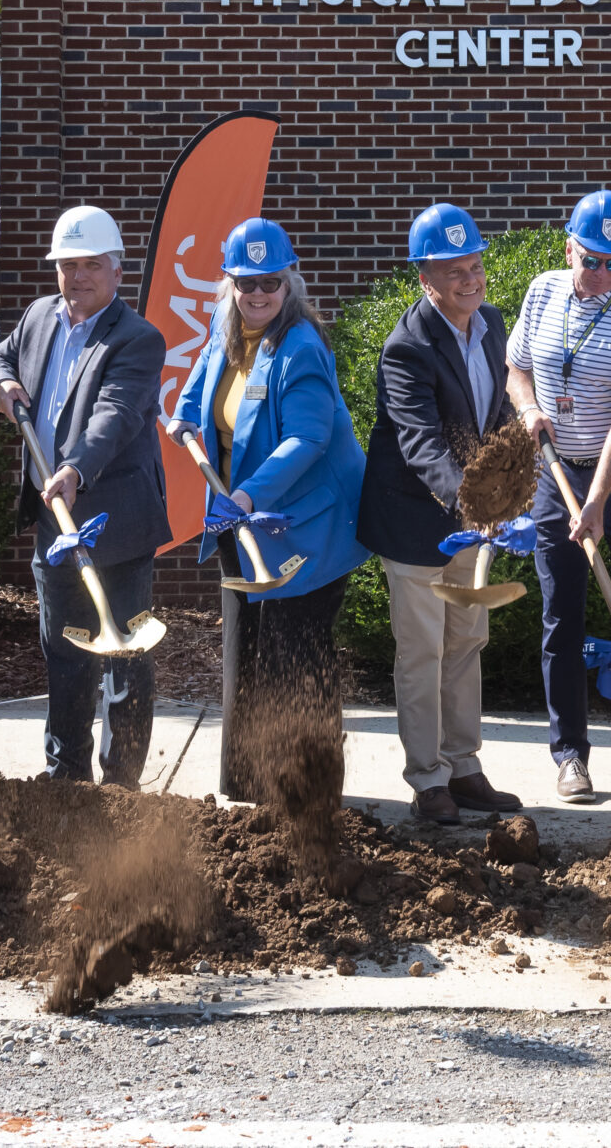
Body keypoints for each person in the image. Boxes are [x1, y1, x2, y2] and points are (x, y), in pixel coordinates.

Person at [166, 218, 368, 802]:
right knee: (246, 651)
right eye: (246, 282)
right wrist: (183, 413)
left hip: (303, 525)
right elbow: (205, 373)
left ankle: (306, 793)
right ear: (229, 282)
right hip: (241, 518)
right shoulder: (224, 322)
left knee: (294, 658)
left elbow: (308, 439)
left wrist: (248, 495)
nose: (258, 294)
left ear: (289, 282)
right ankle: (250, 785)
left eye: (270, 283)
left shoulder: (300, 346)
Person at [0, 204, 170, 785]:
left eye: (91, 264)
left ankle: (121, 784)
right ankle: (65, 775)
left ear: (117, 271)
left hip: (117, 520)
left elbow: (114, 416)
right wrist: (0, 384)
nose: (78, 276)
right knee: (64, 652)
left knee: (124, 658)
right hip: (54, 525)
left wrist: (74, 470)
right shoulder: (40, 316)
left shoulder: (137, 339)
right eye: (68, 264)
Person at [357, 201, 526, 826]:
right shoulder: (407, 347)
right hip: (417, 523)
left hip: (471, 521)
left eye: (475, 265)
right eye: (452, 270)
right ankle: (428, 782)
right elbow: (421, 442)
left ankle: (464, 766)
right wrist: (472, 502)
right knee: (423, 651)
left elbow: (496, 418)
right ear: (424, 277)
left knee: (467, 642)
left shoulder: (492, 325)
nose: (470, 280)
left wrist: (507, 492)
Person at [508, 190, 611, 806]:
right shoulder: (543, 290)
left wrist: (598, 499)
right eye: (593, 259)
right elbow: (515, 365)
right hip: (558, 474)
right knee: (562, 615)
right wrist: (529, 409)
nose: (603, 274)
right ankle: (569, 755)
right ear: (570, 245)